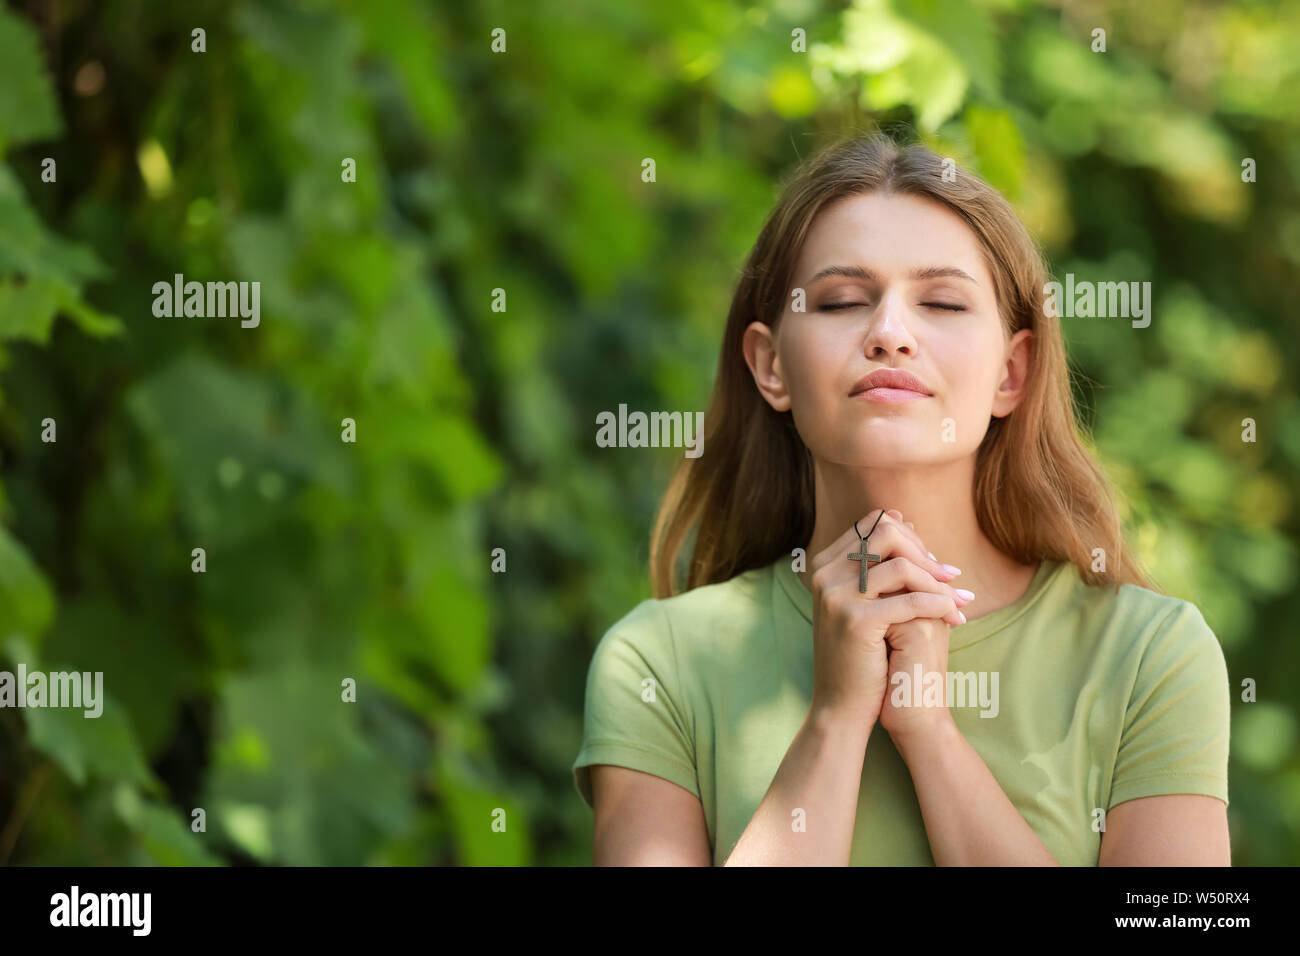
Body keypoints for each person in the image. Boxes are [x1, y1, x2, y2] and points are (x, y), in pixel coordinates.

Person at [572, 132, 1231, 865]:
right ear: (770, 367)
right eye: (842, 301)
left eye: (943, 303)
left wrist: (931, 736)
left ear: (1012, 374)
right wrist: (833, 720)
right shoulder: (656, 664)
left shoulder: (1149, 656)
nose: (889, 333)